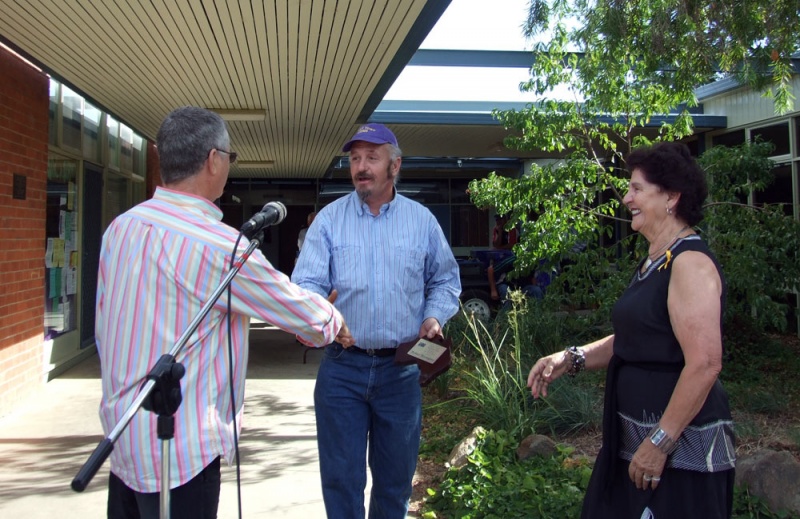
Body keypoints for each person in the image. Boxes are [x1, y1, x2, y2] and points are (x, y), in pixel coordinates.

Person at [96, 106, 352, 519]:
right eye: (230, 158)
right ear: (214, 160)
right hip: (181, 455)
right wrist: (333, 321)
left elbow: (105, 325)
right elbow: (299, 311)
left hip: (122, 439)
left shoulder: (120, 228)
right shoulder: (220, 247)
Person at [527, 141, 735, 518]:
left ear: (672, 196)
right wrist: (572, 358)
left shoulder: (690, 263)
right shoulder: (656, 260)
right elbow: (637, 340)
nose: (626, 198)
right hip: (635, 440)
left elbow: (705, 364)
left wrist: (660, 442)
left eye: (637, 188)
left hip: (679, 455)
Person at [292, 123, 461, 518]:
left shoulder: (421, 221)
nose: (361, 167)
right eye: (354, 159)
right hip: (341, 370)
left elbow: (445, 279)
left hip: (400, 373)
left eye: (372, 157)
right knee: (341, 481)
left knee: (394, 484)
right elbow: (305, 285)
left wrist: (434, 316)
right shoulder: (329, 221)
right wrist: (323, 311)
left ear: (395, 165)